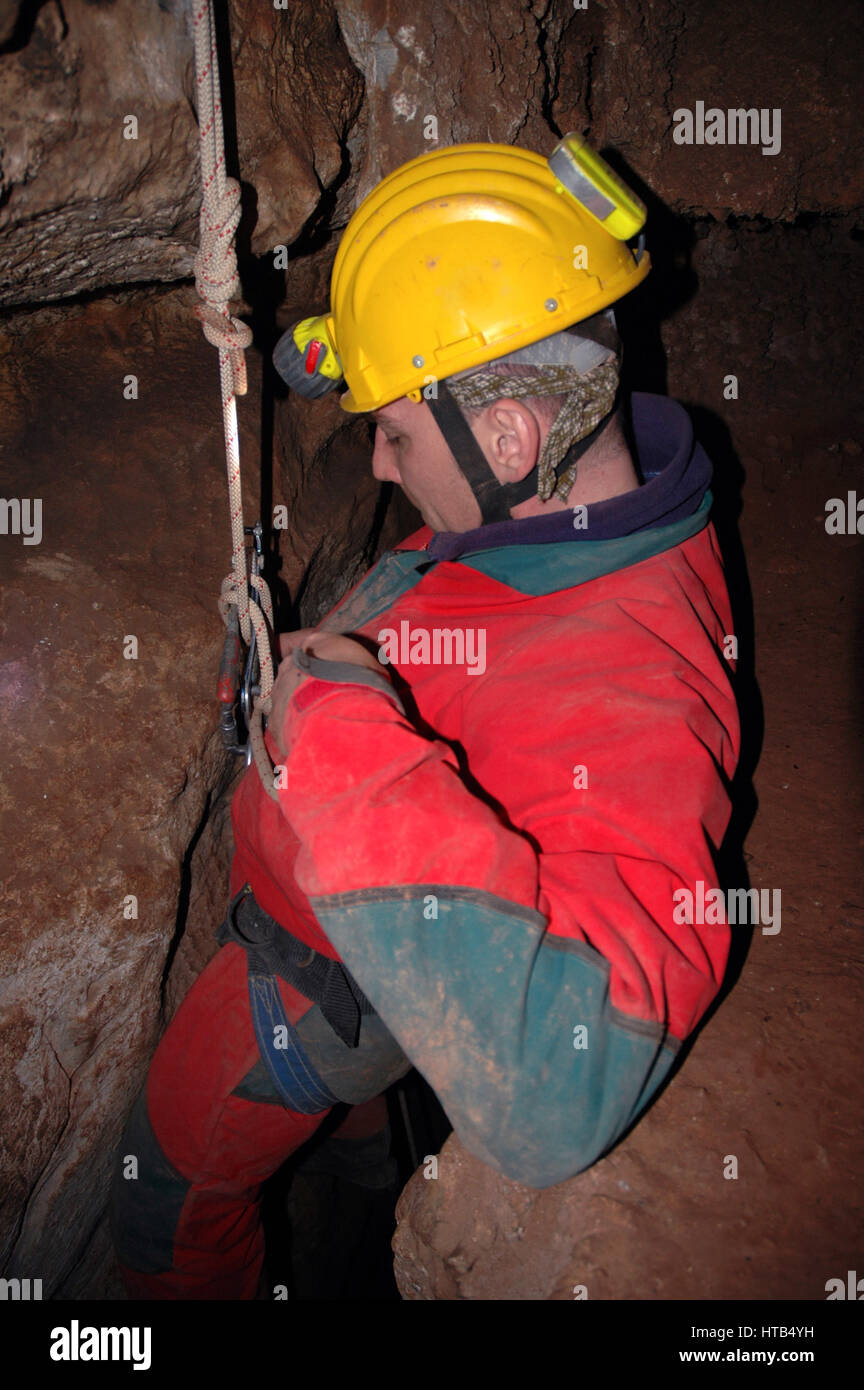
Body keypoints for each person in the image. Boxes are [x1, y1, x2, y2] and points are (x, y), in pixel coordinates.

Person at [110, 137, 740, 1299]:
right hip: (349, 934)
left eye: (393, 431)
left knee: (163, 1194)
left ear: (509, 440)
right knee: (349, 1119)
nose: (383, 467)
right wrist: (335, 665)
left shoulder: (636, 693)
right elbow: (469, 634)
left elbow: (565, 1081)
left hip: (318, 974)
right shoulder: (562, 515)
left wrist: (343, 726)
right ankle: (362, 1188)